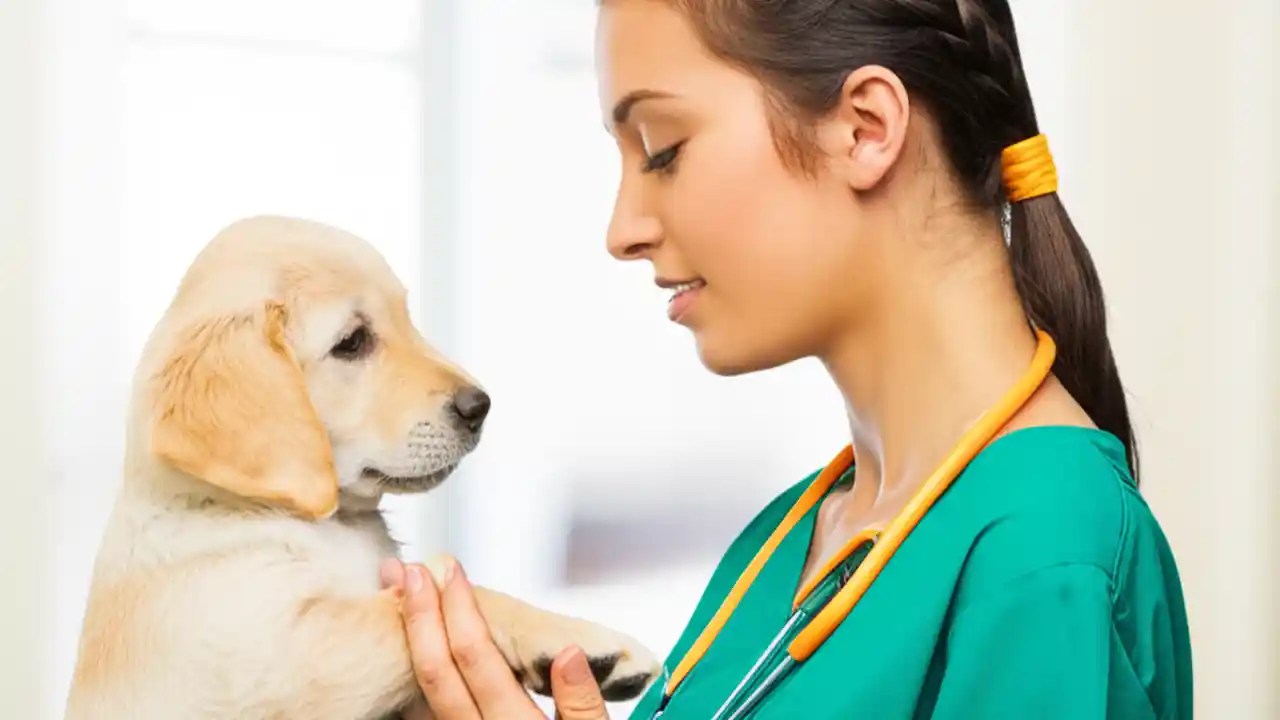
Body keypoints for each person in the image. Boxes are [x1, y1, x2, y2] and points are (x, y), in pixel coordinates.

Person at [380, 0, 1194, 717]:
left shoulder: (1044, 551)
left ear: (866, 128)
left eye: (662, 149)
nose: (622, 227)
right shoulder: (786, 540)